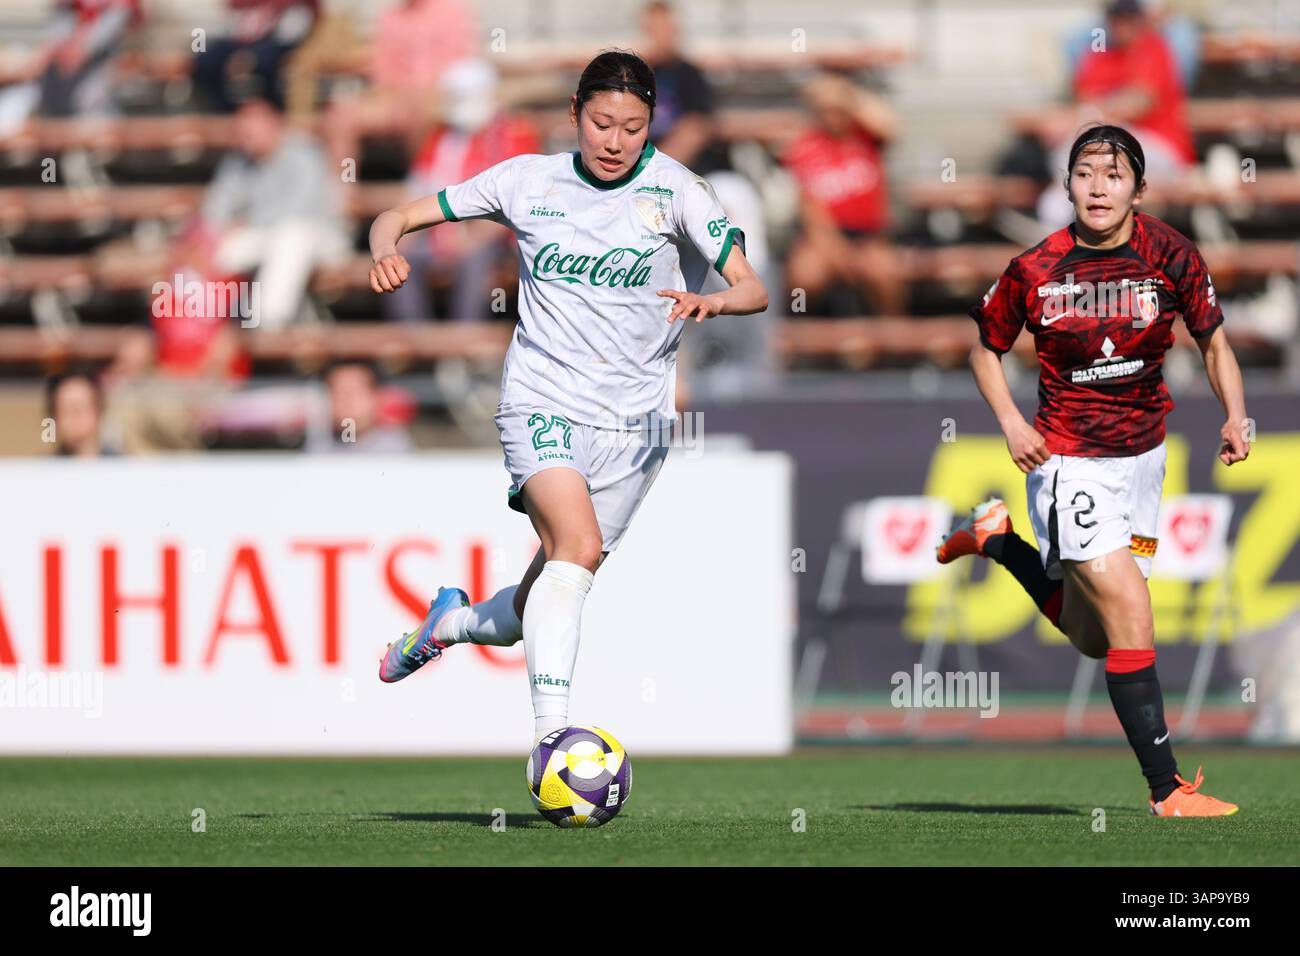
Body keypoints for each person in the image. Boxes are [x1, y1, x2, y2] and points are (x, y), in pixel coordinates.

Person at [368, 50, 767, 745]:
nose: (615, 141)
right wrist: (384, 250)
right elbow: (395, 217)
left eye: (634, 128)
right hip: (541, 397)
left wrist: (717, 302)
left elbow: (754, 286)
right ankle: (554, 741)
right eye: (602, 122)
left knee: (534, 606)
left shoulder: (678, 191)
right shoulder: (527, 180)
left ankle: (451, 622)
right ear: (575, 114)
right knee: (575, 545)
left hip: (637, 425)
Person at [939, 124, 1249, 817]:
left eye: (1114, 174)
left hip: (1143, 461)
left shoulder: (1170, 252)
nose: (1098, 186)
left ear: (1139, 188)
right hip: (1068, 462)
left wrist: (1236, 414)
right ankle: (1167, 791)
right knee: (1133, 619)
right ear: (1067, 185)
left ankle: (996, 540)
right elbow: (984, 349)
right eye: (1084, 173)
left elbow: (1214, 341)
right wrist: (1015, 425)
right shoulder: (1036, 267)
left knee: (1093, 638)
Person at [383, 58, 540, 323]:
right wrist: (402, 235)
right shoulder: (442, 136)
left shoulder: (514, 134)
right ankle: (417, 346)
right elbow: (416, 187)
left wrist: (469, 240)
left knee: (476, 260)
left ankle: (462, 347)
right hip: (443, 234)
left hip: (497, 238)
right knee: (398, 260)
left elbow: (516, 201)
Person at [189, 96, 351, 330]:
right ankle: (204, 330)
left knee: (292, 237)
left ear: (273, 123)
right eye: (243, 130)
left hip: (321, 236)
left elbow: (301, 210)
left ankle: (268, 326)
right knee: (214, 248)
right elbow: (214, 213)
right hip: (265, 236)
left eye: (252, 128)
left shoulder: (303, 152)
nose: (247, 136)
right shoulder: (238, 163)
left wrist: (247, 222)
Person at [783, 71, 904, 317]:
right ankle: (808, 343)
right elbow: (809, 209)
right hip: (822, 237)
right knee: (805, 277)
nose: (833, 116)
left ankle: (892, 341)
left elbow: (892, 127)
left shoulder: (867, 136)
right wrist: (837, 252)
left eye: (839, 109)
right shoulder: (806, 144)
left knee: (885, 274)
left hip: (868, 236)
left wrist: (848, 93)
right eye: (827, 110)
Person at [45, 368, 116, 456]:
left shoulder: (125, 466)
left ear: (98, 411)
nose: (75, 416)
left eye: (81, 407)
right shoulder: (41, 468)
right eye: (67, 409)